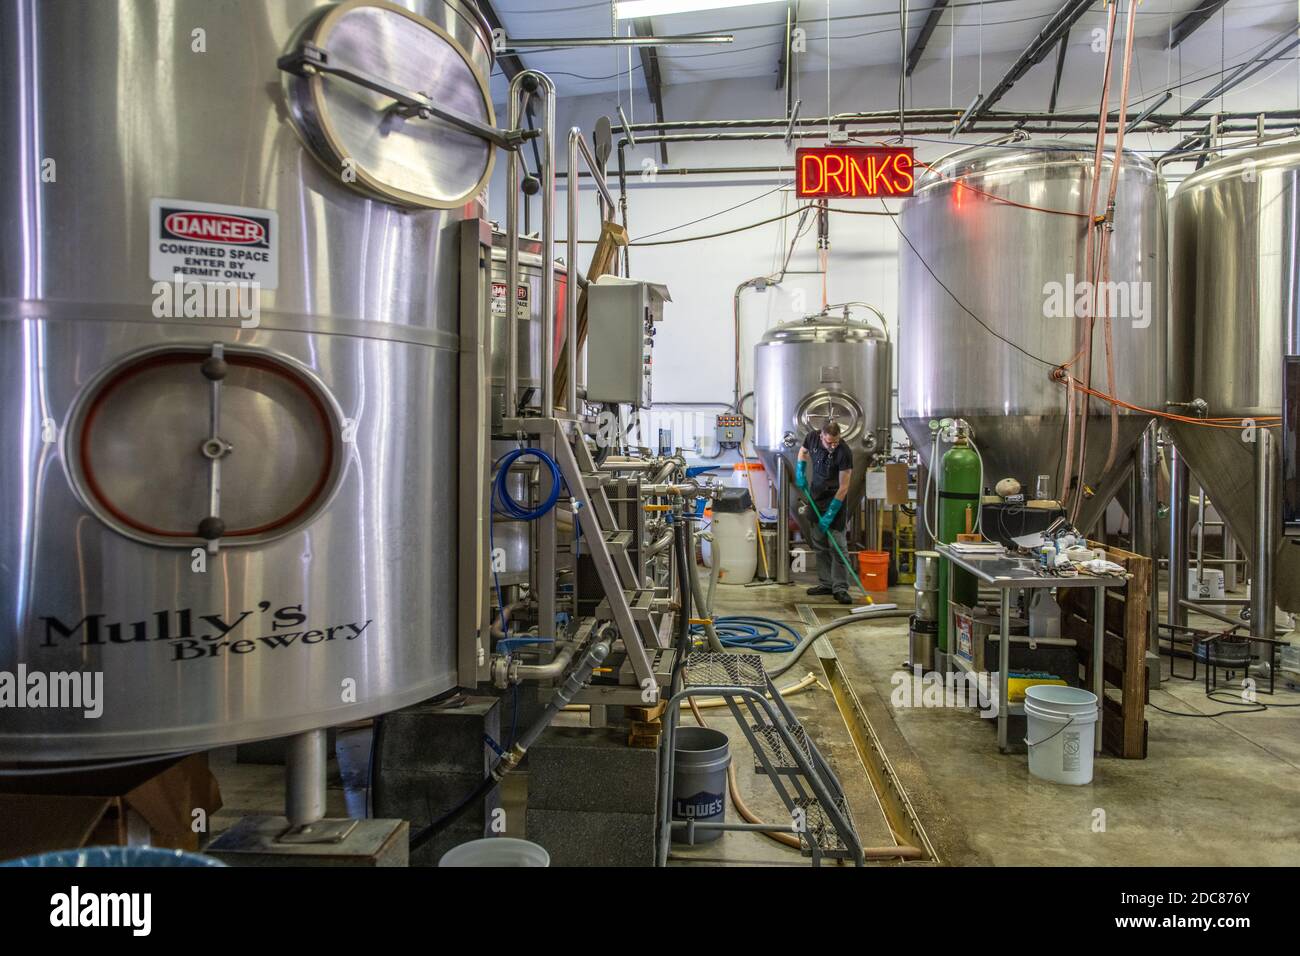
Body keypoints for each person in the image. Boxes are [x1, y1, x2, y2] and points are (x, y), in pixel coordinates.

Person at [795, 422, 854, 604]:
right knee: (819, 543)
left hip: (835, 500)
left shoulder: (844, 452)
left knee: (838, 547)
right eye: (829, 443)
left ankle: (841, 587)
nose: (833, 446)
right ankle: (827, 583)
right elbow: (803, 452)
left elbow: (844, 487)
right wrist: (800, 471)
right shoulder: (811, 437)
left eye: (836, 442)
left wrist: (830, 514)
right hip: (816, 497)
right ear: (821, 436)